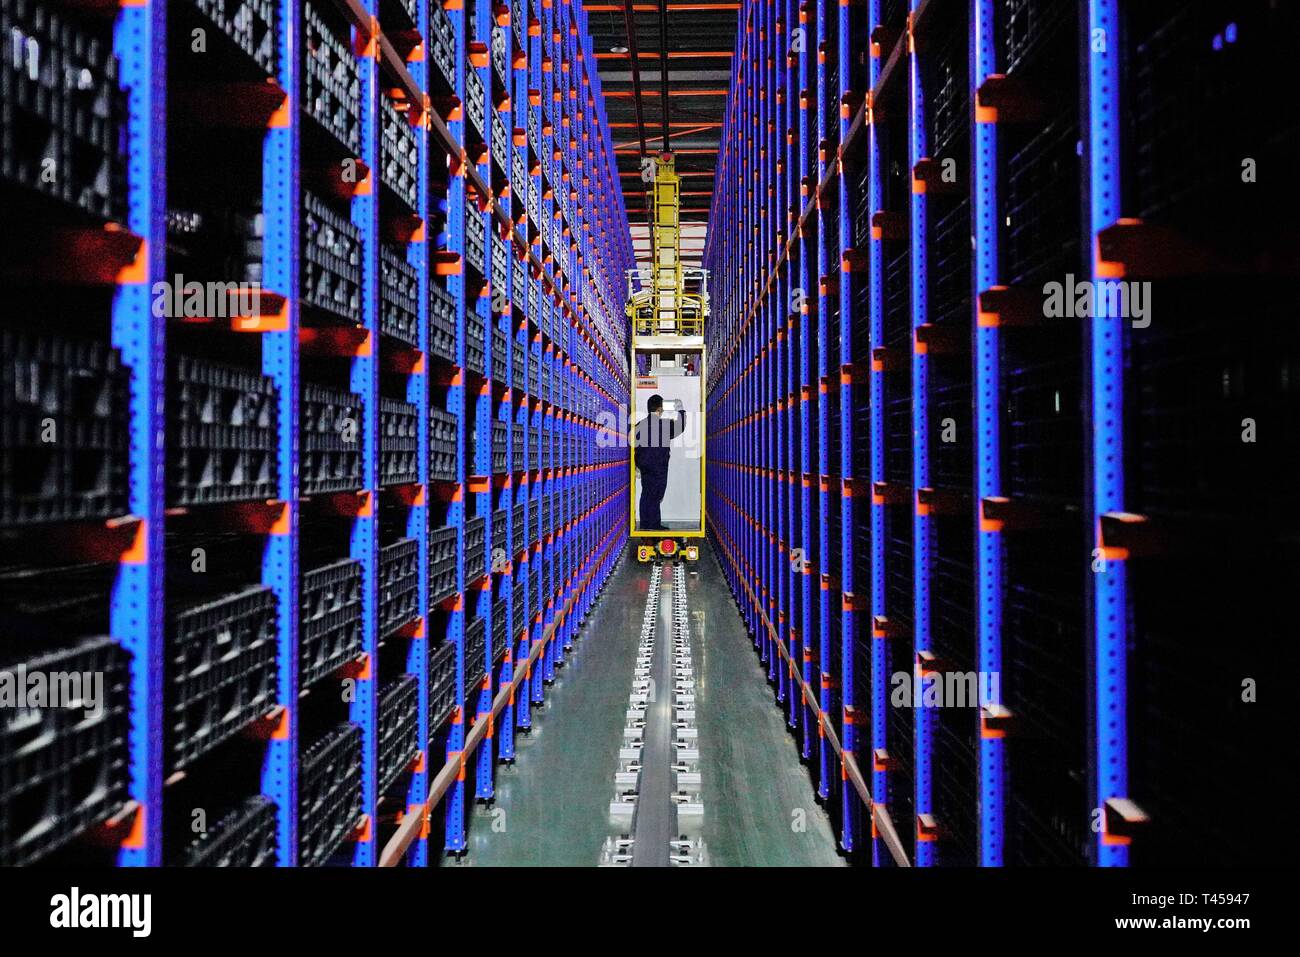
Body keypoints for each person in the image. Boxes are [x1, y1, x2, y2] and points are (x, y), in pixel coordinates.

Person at [634, 394, 686, 530]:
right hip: (659, 465)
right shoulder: (665, 424)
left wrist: (636, 465)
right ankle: (654, 525)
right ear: (660, 409)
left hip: (644, 465)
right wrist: (680, 410)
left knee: (646, 494)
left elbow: (633, 445)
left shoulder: (639, 425)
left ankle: (646, 524)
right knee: (656, 495)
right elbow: (680, 427)